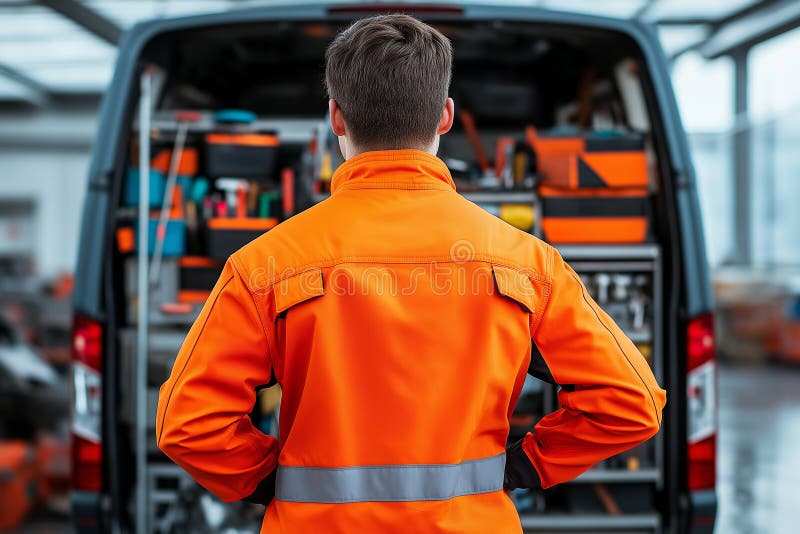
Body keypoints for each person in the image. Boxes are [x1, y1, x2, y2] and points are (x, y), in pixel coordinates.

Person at [157, 14, 666, 533]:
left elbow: (190, 424)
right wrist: (524, 464)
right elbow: (631, 403)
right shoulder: (527, 264)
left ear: (336, 116)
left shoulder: (264, 264)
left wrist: (273, 481)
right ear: (445, 116)